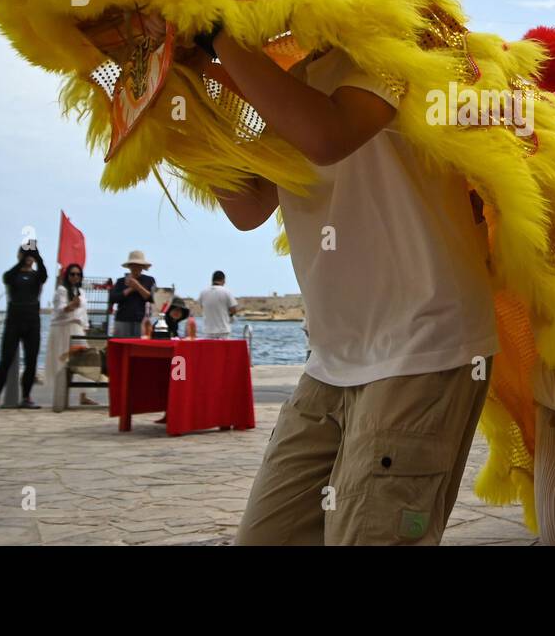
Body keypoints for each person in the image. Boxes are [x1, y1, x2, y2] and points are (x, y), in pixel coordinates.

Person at [207, 34, 497, 547]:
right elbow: (247, 207)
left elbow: (329, 134)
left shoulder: (401, 43)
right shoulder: (293, 79)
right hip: (331, 357)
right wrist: (180, 104)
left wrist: (217, 37)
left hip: (422, 342)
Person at [0, 241, 48, 411]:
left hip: (32, 322)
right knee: (5, 360)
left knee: (31, 362)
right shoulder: (11, 275)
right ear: (19, 256)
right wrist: (22, 260)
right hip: (14, 322)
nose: (29, 257)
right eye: (25, 254)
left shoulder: (38, 276)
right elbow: (7, 278)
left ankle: (26, 397)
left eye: (31, 255)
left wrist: (38, 257)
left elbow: (44, 274)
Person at [49, 263, 98, 408]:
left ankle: (84, 395)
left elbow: (83, 312)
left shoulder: (81, 292)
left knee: (85, 360)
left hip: (77, 327)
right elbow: (60, 309)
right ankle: (61, 396)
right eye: (72, 274)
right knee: (63, 362)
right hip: (63, 328)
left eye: (78, 274)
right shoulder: (61, 290)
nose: (75, 277)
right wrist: (71, 305)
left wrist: (86, 327)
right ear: (67, 276)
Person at [108, 251, 155, 338]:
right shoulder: (121, 281)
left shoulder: (149, 280)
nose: (136, 267)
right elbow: (113, 298)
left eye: (138, 265)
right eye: (133, 264)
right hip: (122, 320)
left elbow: (152, 298)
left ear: (142, 267)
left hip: (142, 321)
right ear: (129, 266)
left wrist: (138, 287)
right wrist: (129, 289)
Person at [197, 271, 238, 340]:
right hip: (223, 330)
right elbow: (233, 310)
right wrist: (229, 315)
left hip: (208, 331)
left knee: (210, 350)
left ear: (212, 280)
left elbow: (202, 307)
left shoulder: (203, 293)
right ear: (223, 280)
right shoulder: (226, 292)